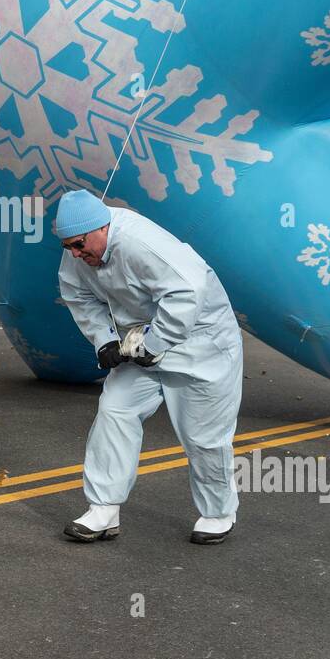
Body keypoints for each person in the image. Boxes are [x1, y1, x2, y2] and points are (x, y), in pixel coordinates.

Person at [55, 188, 244, 545]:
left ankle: (218, 512)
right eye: (68, 248)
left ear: (102, 227)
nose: (77, 255)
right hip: (139, 341)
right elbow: (77, 295)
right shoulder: (78, 253)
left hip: (201, 343)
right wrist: (105, 340)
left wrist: (156, 343)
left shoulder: (141, 242)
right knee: (114, 411)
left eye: (80, 245)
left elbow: (188, 290)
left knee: (203, 436)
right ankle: (104, 508)